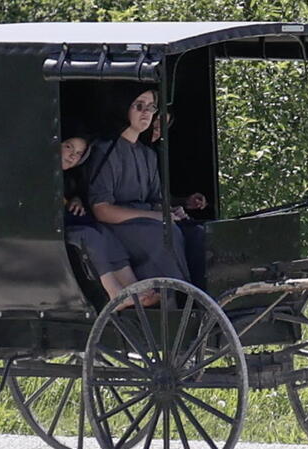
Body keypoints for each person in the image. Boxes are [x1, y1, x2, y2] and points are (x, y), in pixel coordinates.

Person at [82, 88, 207, 290]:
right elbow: (102, 210)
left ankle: (209, 295)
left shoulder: (148, 154)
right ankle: (176, 298)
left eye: (151, 107)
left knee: (198, 233)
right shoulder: (105, 150)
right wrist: (157, 217)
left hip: (148, 222)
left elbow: (155, 200)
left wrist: (171, 211)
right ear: (124, 108)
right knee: (166, 234)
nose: (146, 113)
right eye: (139, 106)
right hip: (117, 227)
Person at [59, 135, 134, 304]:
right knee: (89, 235)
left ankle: (133, 288)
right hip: (55, 232)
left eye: (78, 153)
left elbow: (69, 195)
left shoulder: (68, 180)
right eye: (69, 147)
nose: (73, 155)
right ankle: (114, 293)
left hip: (72, 226)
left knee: (105, 232)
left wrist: (76, 199)